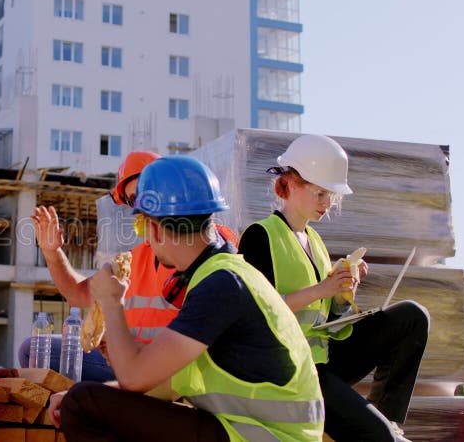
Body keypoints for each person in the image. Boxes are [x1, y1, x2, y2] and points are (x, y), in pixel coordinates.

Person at [51, 156, 325, 442]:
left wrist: (111, 302)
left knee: (83, 404)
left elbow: (134, 378)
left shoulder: (220, 285)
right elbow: (169, 384)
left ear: (154, 228)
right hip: (257, 432)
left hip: (262, 436)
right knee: (85, 398)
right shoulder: (225, 273)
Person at [237, 134, 429, 442]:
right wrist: (322, 290)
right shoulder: (260, 236)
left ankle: (389, 423)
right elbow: (255, 315)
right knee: (376, 435)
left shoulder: (315, 242)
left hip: (323, 359)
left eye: (332, 196)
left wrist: (342, 294)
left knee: (411, 317)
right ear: (291, 184)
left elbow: (325, 320)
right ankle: (383, 434)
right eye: (321, 193)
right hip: (288, 370)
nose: (327, 204)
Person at [21, 151, 238, 381]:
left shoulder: (214, 257)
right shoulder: (135, 257)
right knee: (31, 352)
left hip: (168, 371)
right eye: (133, 200)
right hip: (133, 361)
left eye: (146, 196)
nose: (141, 209)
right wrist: (52, 253)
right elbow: (79, 294)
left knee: (80, 399)